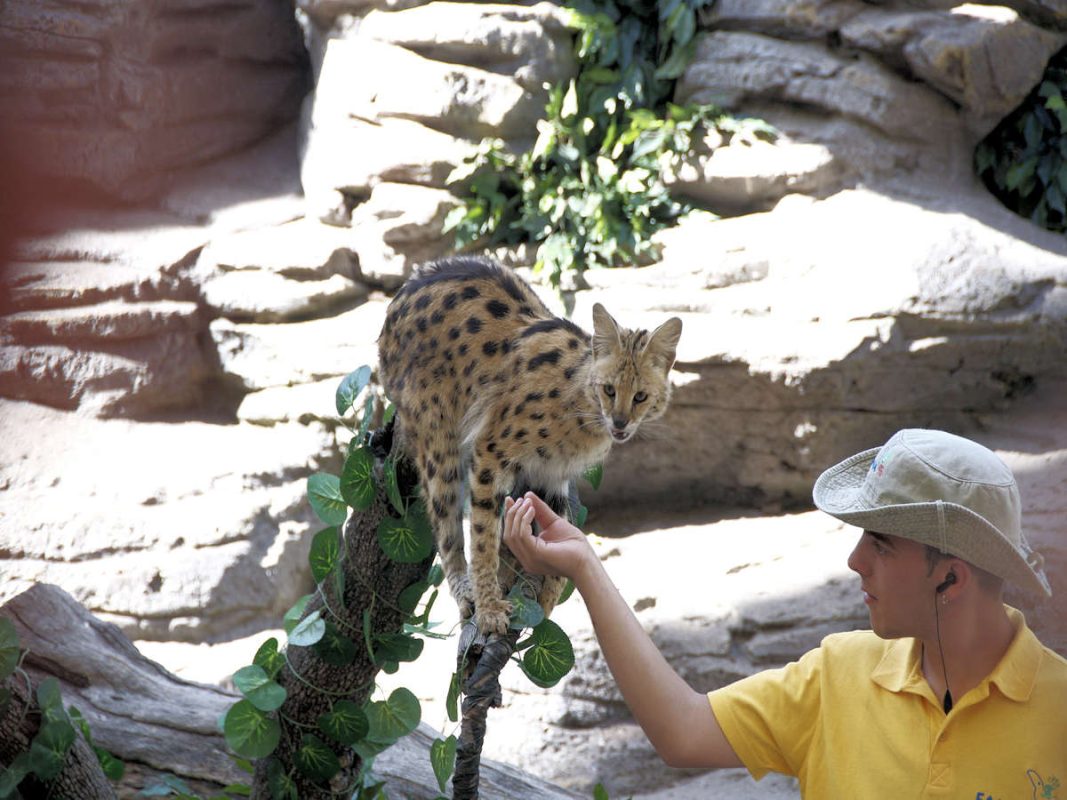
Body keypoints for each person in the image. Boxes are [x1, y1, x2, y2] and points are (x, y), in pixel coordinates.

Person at [502, 428, 1066, 797]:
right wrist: (587, 567)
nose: (854, 560)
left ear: (950, 577)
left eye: (882, 544)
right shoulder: (837, 674)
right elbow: (683, 732)